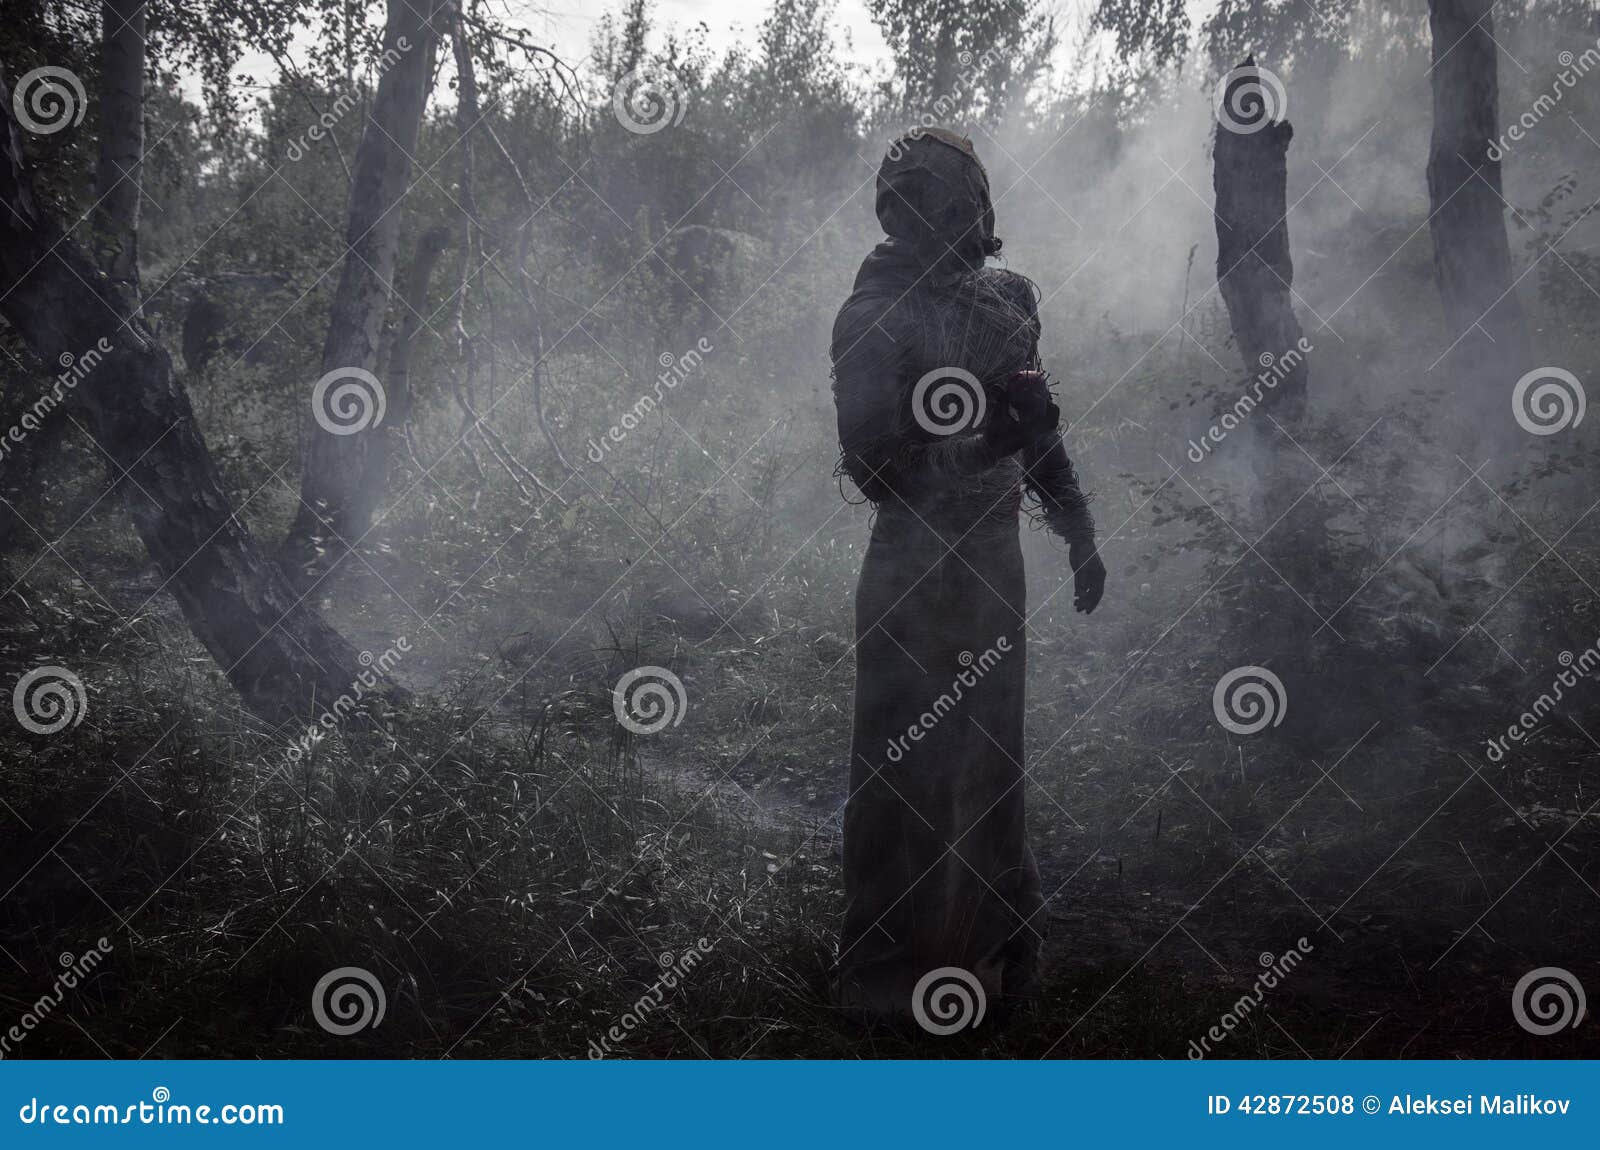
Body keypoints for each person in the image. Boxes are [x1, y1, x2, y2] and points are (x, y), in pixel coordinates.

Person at [829, 127, 1105, 1025]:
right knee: (901, 768)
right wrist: (992, 436)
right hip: (912, 577)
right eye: (912, 204)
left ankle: (990, 955)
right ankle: (885, 976)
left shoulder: (1010, 298)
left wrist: (1076, 525)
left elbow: (1039, 422)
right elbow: (875, 469)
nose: (931, 220)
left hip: (991, 571)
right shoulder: (873, 316)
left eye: (943, 202)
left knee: (988, 765)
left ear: (974, 208)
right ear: (893, 212)